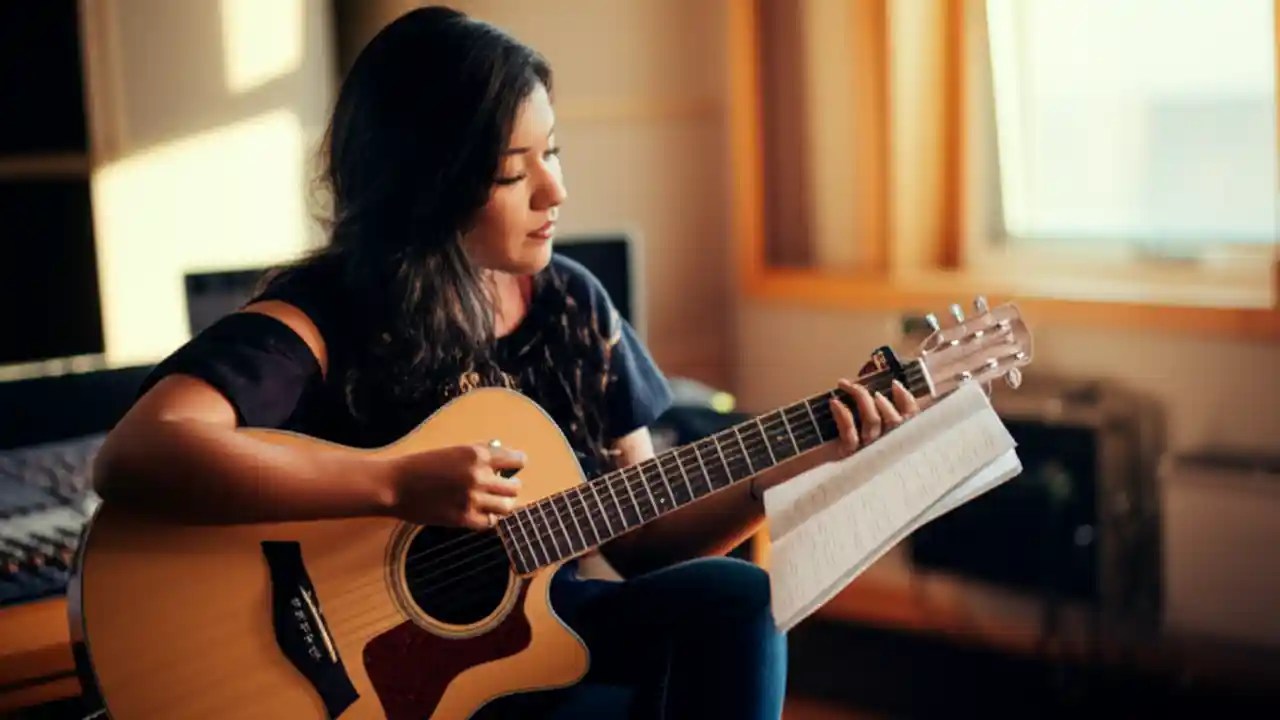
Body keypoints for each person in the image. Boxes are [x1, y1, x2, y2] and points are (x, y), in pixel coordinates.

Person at [92, 6, 919, 719]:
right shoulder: (327, 315)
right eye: (512, 173)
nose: (553, 192)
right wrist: (392, 485)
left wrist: (807, 455)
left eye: (552, 154)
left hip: (527, 640)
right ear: (430, 185)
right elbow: (137, 453)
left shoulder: (571, 306)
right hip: (365, 681)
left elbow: (643, 542)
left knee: (741, 599)